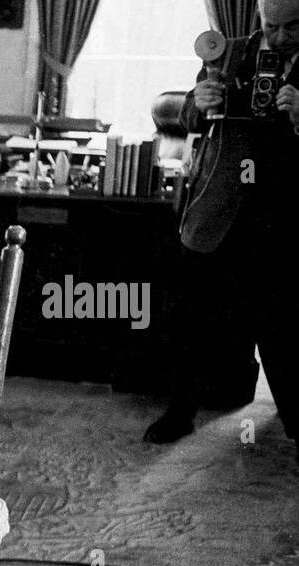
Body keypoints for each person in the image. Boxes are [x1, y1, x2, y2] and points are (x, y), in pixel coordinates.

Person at [143, 0, 299, 453]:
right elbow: (189, 118)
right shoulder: (226, 53)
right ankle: (180, 412)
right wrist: (199, 102)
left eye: (294, 27)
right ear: (259, 18)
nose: (283, 36)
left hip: (284, 218)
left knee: (283, 328)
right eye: (273, 27)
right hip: (219, 211)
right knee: (191, 319)